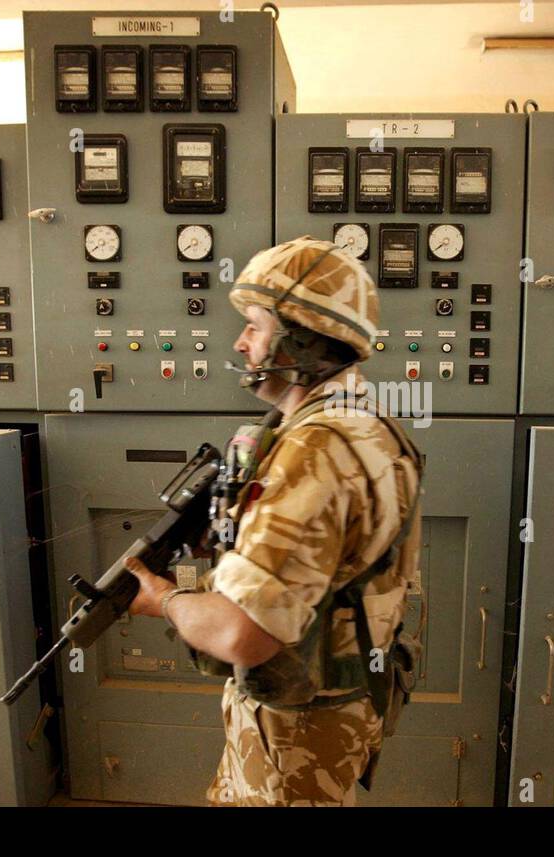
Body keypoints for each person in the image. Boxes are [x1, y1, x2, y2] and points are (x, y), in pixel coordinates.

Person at [124, 236, 422, 806]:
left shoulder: (315, 448)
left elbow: (244, 633)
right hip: (333, 708)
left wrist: (160, 600)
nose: (241, 342)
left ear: (303, 340)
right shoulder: (368, 424)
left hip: (294, 734)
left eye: (257, 326)